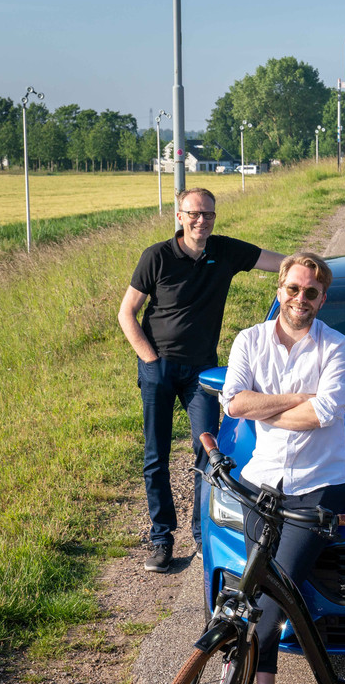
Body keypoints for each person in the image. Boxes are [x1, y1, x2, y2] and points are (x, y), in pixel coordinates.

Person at [220, 252, 345, 684]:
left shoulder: (337, 346)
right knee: (259, 581)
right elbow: (234, 402)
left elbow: (325, 413)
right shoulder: (249, 341)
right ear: (279, 288)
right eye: (294, 289)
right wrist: (301, 399)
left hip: (319, 485)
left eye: (312, 292)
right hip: (262, 482)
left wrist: (267, 408)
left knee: (277, 579)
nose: (302, 299)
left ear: (323, 298)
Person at [118, 187, 284, 573]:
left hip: (203, 372)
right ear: (179, 215)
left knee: (208, 452)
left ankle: (201, 532)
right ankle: (162, 540)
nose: (201, 221)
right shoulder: (156, 257)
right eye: (193, 214)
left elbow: (280, 263)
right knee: (155, 456)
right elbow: (127, 313)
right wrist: (151, 360)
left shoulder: (224, 251)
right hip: (158, 366)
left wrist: (317, 268)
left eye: (207, 214)